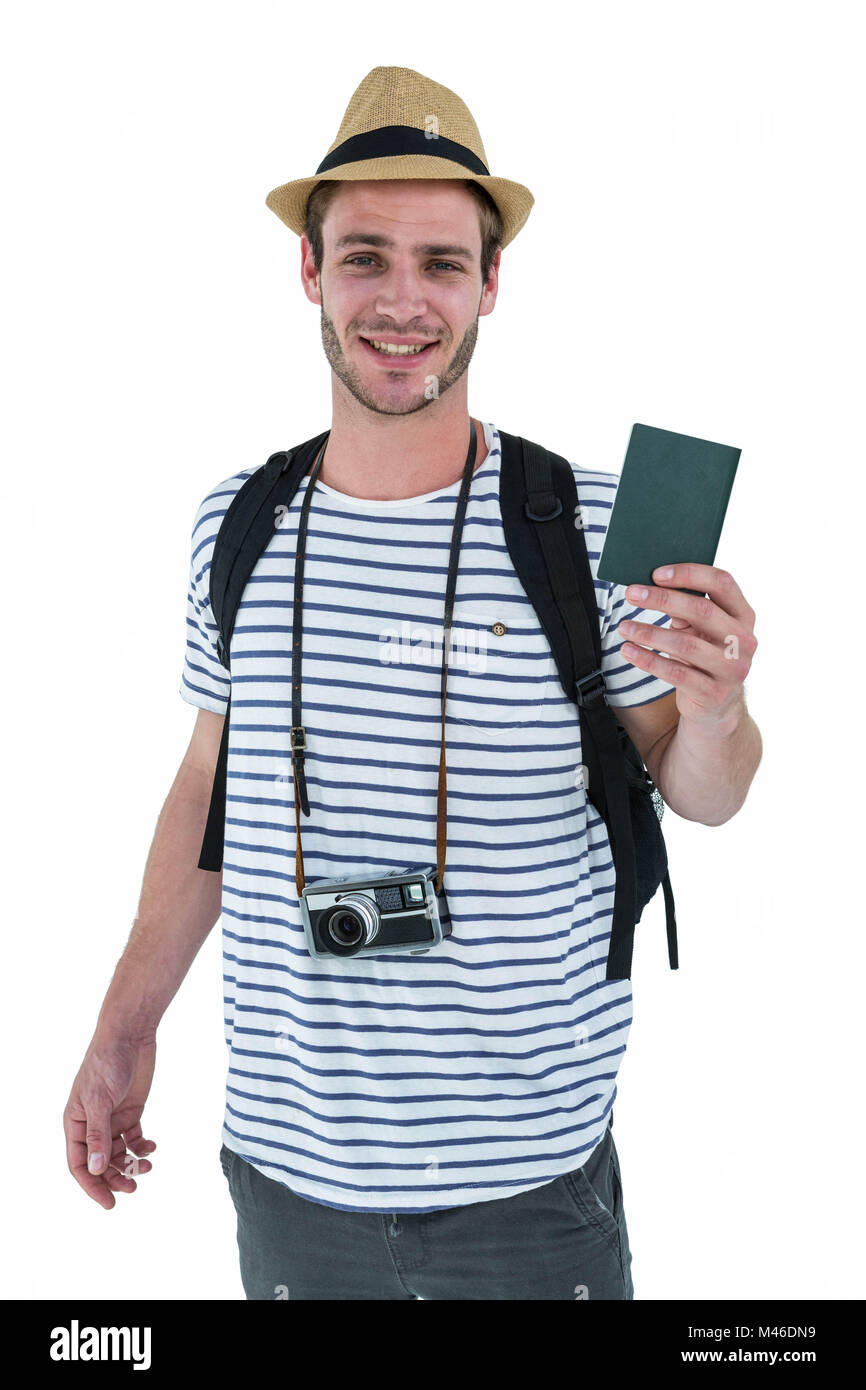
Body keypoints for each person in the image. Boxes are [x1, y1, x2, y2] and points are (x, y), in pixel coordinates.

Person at [63, 65, 762, 1300]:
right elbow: (204, 795)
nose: (401, 301)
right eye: (365, 256)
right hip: (283, 1187)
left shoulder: (586, 522)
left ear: (492, 284)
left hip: (530, 1192)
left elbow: (699, 791)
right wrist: (123, 1028)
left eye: (441, 262)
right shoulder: (238, 522)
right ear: (308, 272)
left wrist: (717, 709)